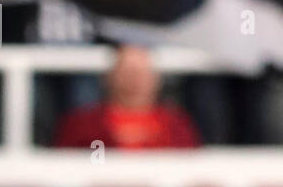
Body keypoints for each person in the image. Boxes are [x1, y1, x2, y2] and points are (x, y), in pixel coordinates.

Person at [53, 45, 200, 150]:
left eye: (141, 73)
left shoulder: (176, 125)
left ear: (156, 79)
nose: (134, 80)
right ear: (109, 77)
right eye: (127, 72)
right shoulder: (82, 125)